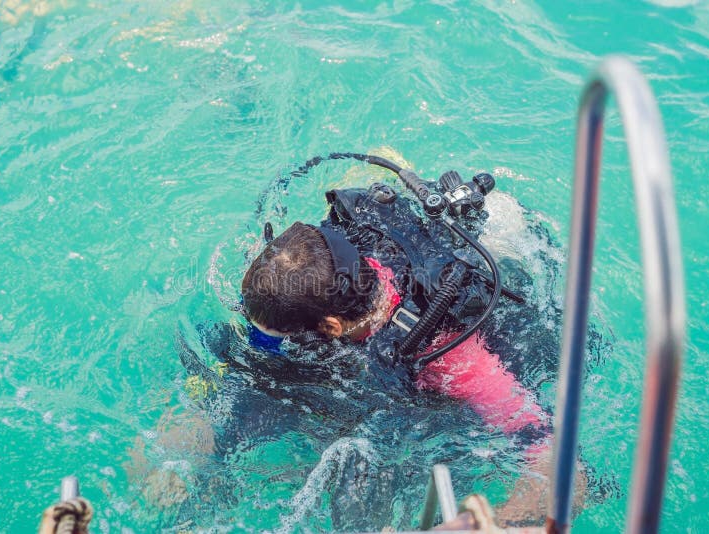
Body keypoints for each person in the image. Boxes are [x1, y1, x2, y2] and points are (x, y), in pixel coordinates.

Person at [238, 176, 569, 527]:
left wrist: (483, 523)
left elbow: (560, 467)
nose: (262, 342)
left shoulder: (447, 354)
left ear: (332, 327)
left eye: (272, 336)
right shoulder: (336, 259)